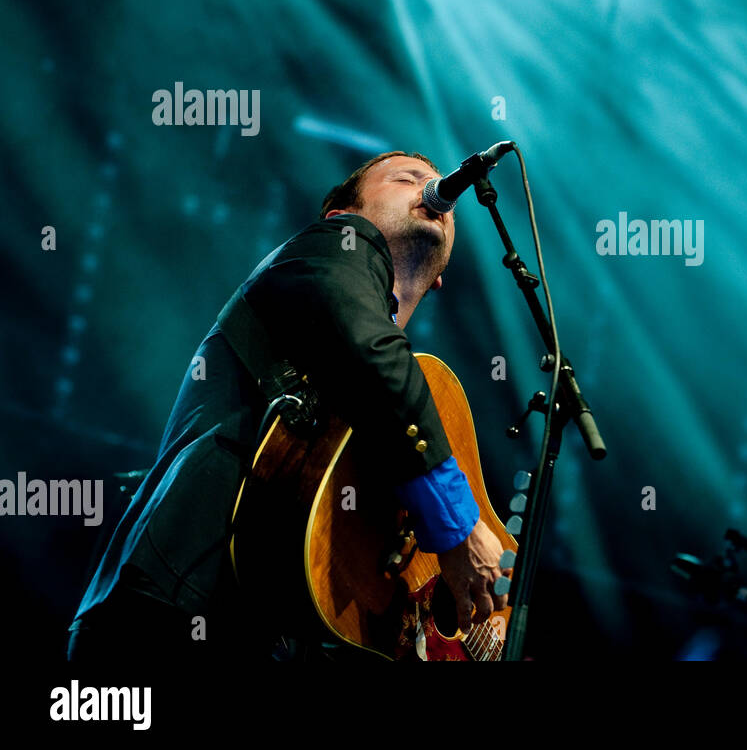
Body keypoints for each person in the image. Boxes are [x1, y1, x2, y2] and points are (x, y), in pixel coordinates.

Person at [67, 151, 507, 661]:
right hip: (171, 607)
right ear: (339, 214)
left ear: (439, 278)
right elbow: (371, 356)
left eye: (441, 193)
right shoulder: (334, 248)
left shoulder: (379, 406)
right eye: (406, 179)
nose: (435, 190)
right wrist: (458, 528)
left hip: (251, 630)